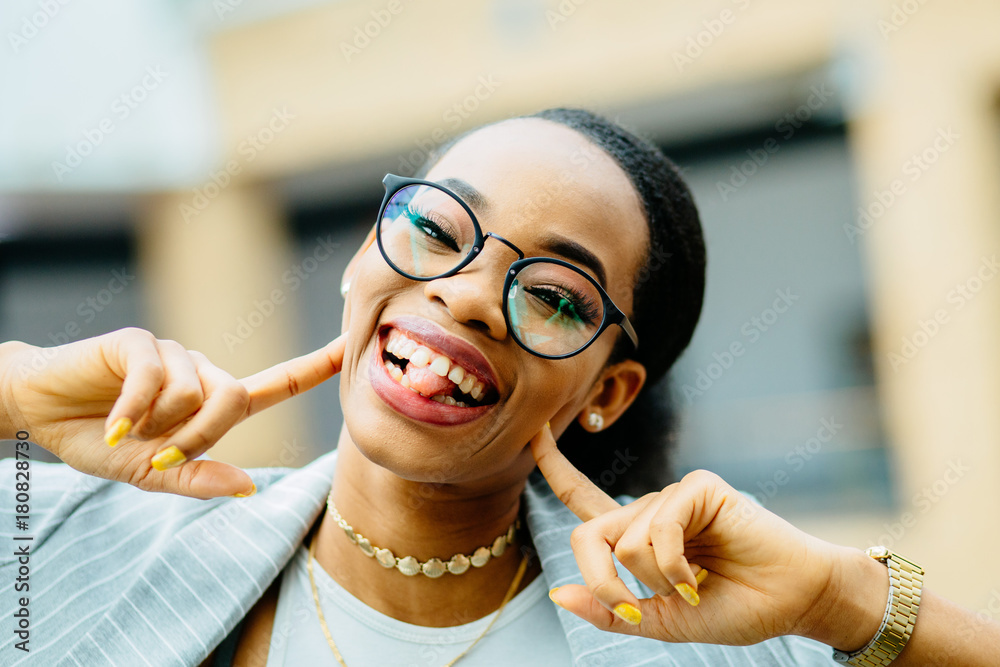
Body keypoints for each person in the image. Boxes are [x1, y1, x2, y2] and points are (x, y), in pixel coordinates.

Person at [1, 108, 998, 667]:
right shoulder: (59, 544)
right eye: (436, 231)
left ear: (607, 391)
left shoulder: (718, 644)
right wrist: (19, 387)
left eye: (555, 296)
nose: (469, 295)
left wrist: (841, 594)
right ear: (361, 258)